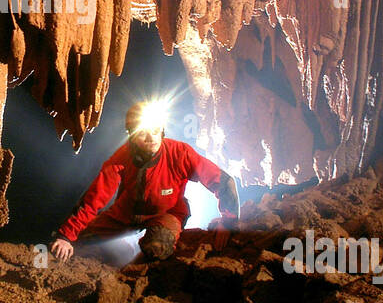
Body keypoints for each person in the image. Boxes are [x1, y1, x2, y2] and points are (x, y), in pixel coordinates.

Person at [49, 100, 240, 262]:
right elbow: (94, 199)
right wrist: (67, 236)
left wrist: (228, 221)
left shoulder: (179, 154)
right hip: (125, 215)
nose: (151, 138)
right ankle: (120, 251)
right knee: (79, 240)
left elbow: (223, 182)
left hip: (167, 213)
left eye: (156, 130)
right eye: (143, 133)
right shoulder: (122, 157)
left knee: (157, 247)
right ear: (132, 135)